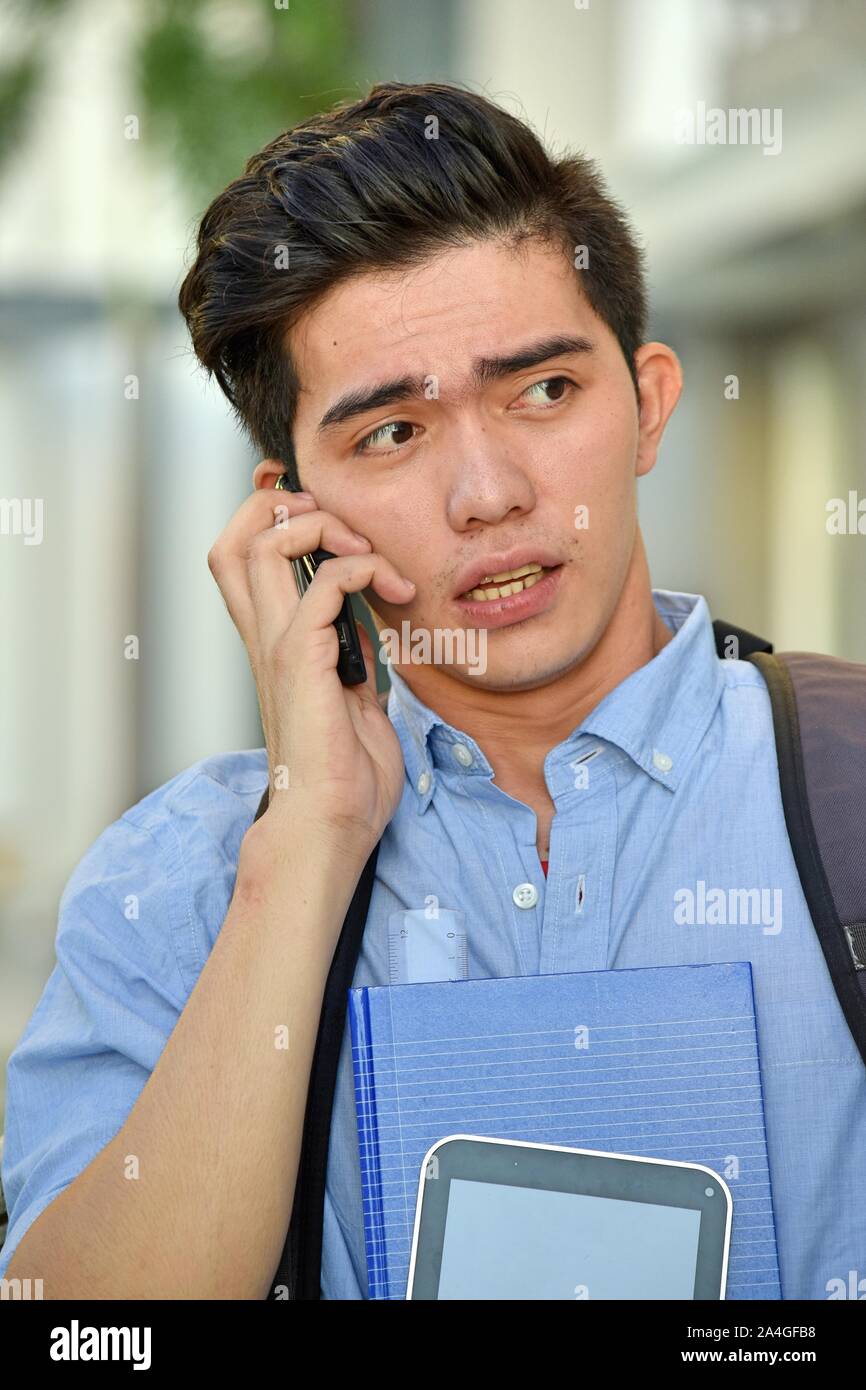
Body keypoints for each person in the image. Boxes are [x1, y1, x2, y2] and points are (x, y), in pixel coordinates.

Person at [2, 80, 862, 1300]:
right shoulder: (179, 890)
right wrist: (308, 836)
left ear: (648, 405)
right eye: (391, 434)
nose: (488, 493)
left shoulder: (848, 785)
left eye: (544, 391)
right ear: (290, 515)